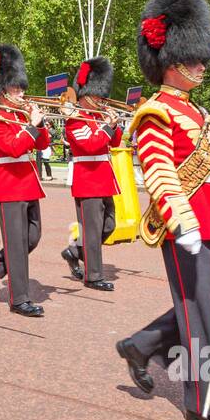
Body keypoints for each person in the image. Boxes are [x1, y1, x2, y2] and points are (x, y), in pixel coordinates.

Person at [115, 0, 210, 420]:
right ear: (170, 60)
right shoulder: (156, 113)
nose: (201, 65)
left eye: (200, 58)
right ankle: (203, 406)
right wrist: (182, 223)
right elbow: (159, 174)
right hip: (185, 223)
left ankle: (140, 345)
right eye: (193, 59)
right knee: (197, 313)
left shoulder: (194, 113)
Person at [0, 44, 49, 318]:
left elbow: (42, 143)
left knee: (32, 237)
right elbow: (13, 148)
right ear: (2, 90)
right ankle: (19, 299)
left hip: (28, 183)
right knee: (17, 243)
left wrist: (38, 124)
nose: (21, 93)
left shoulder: (21, 115)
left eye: (20, 88)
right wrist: (31, 126)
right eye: (16, 89)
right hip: (8, 186)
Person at [59, 57, 123, 291]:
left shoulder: (98, 117)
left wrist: (114, 126)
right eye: (96, 96)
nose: (100, 100)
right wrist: (107, 127)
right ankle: (93, 276)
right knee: (93, 230)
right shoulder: (75, 120)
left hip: (104, 179)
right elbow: (91, 145)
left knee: (109, 225)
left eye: (101, 96)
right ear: (84, 95)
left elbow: (113, 143)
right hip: (88, 180)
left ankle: (75, 251)